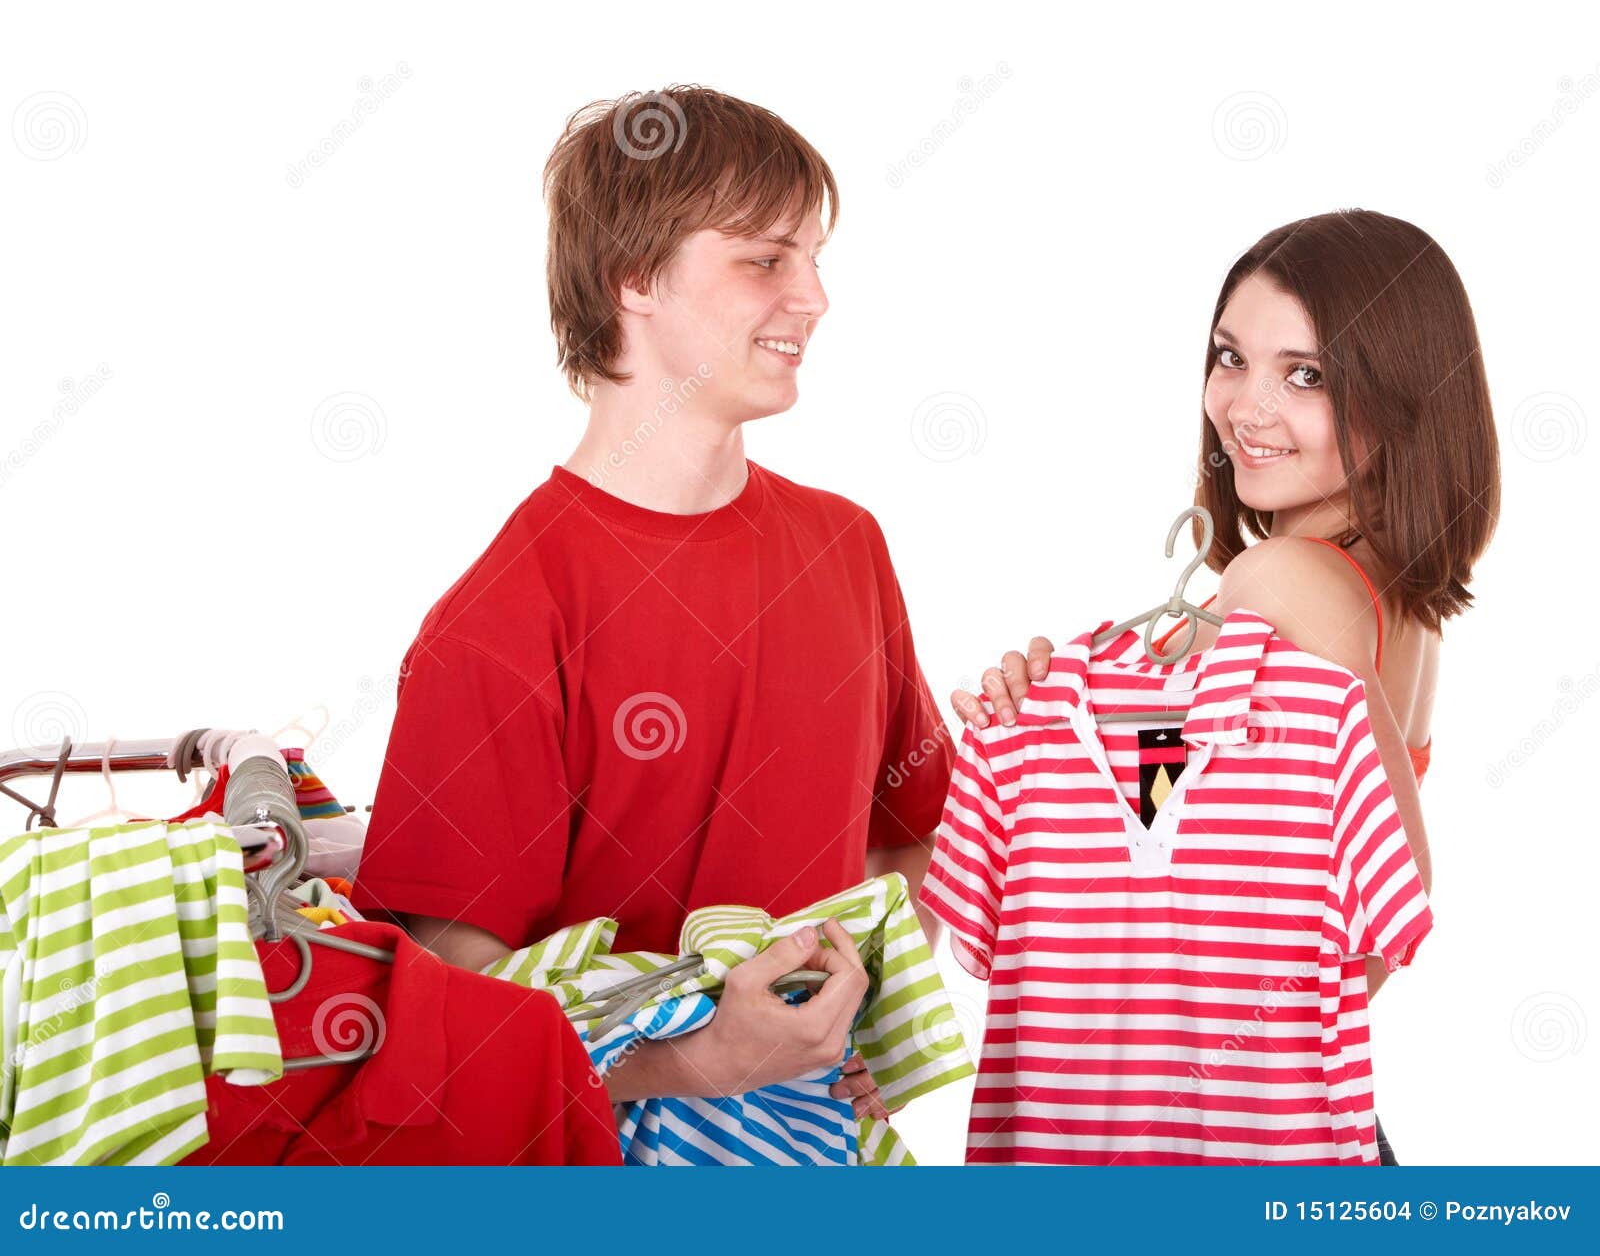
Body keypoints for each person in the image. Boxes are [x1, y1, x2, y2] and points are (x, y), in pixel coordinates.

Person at [353, 87, 954, 1122]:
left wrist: (855, 1018)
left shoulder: (846, 548)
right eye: (765, 259)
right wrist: (702, 1061)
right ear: (632, 278)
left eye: (812, 257)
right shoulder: (498, 621)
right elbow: (439, 1006)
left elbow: (907, 838)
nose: (812, 296)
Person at [947, 209, 1500, 1162]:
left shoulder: (1283, 582)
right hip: (1308, 1124)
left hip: (1227, 1138)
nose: (1244, 405)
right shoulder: (1398, 592)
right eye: (1231, 356)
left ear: (1403, 393)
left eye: (1306, 375)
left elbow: (1180, 832)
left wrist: (1052, 733)